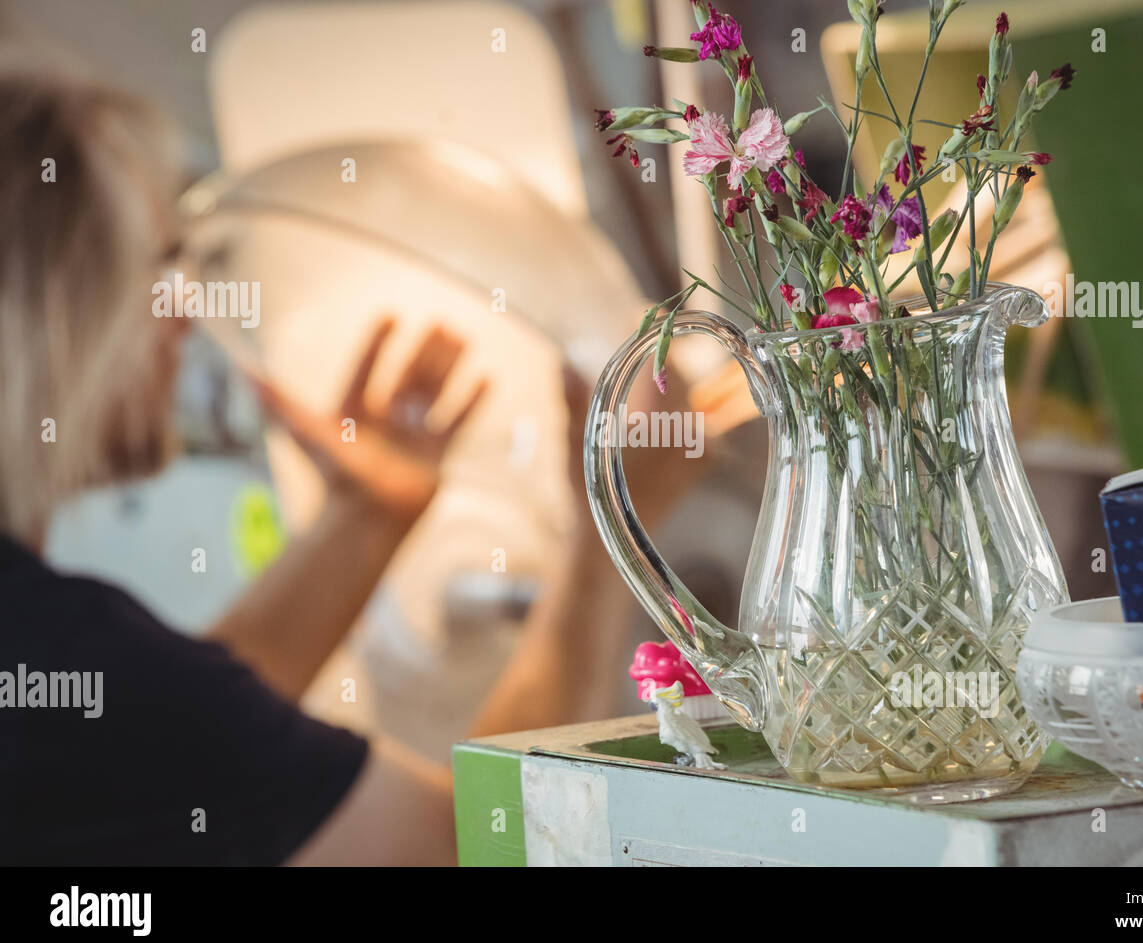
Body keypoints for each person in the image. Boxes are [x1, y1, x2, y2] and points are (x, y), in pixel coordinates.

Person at [0, 54, 693, 865]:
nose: (184, 310)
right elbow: (491, 849)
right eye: (156, 267)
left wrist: (369, 516)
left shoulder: (56, 661)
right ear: (57, 318)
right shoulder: (77, 664)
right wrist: (606, 527)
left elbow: (161, 746)